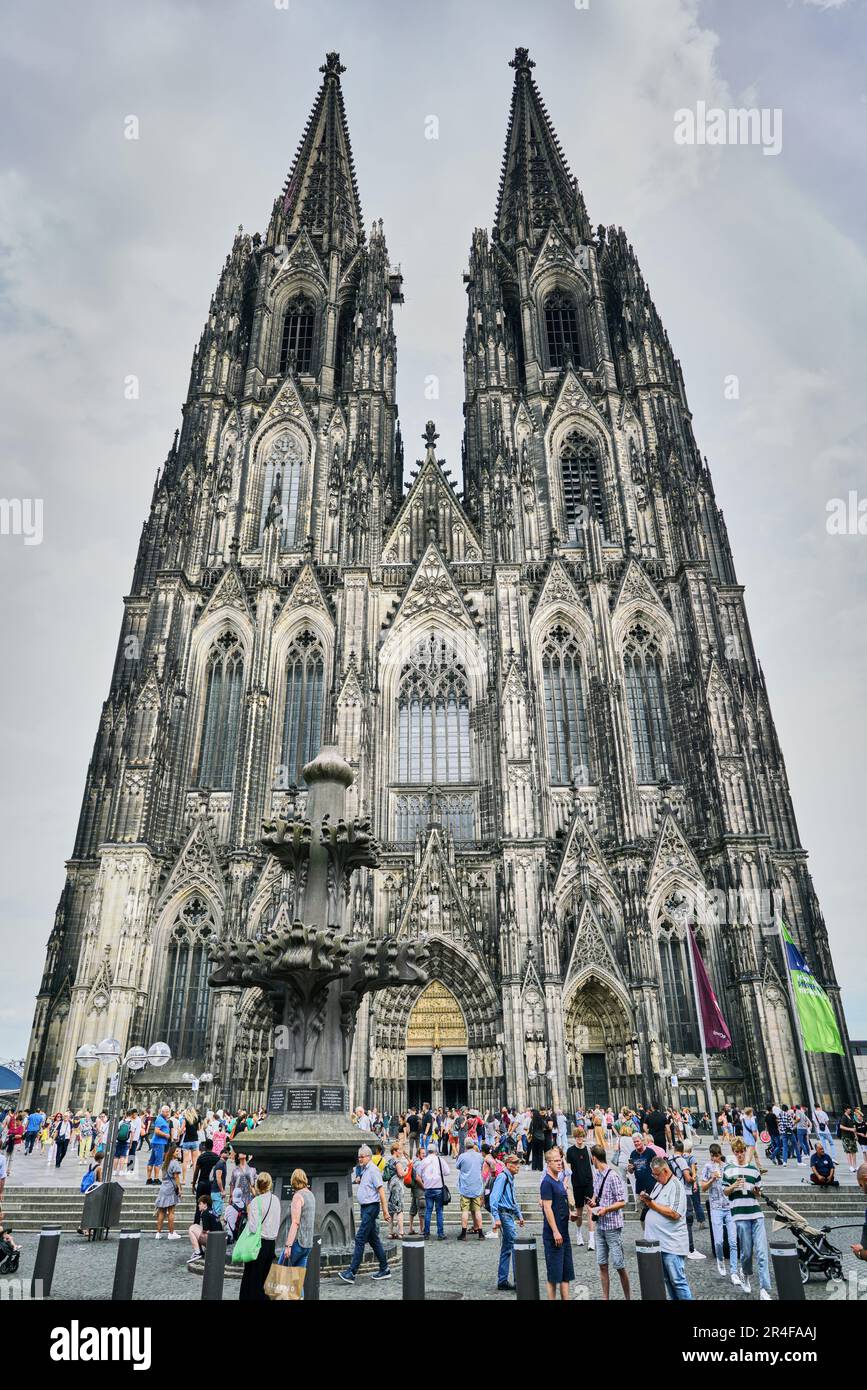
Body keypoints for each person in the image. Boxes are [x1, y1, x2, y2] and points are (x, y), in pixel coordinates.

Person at [723, 1137, 772, 1300]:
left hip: (756, 1213)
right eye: (736, 1152)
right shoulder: (728, 1170)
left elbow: (759, 1193)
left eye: (741, 1151)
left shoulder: (753, 1170)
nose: (739, 1155)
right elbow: (725, 1192)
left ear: (745, 1151)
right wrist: (733, 1185)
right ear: (733, 1153)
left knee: (762, 1252)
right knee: (745, 1253)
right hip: (740, 1215)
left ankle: (764, 1288)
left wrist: (757, 1190)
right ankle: (745, 1274)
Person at [338, 1144, 392, 1285]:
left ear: (368, 1157)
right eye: (359, 1157)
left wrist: (385, 1211)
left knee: (360, 1238)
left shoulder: (373, 1170)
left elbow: (381, 1191)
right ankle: (385, 1268)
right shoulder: (365, 1170)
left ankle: (351, 1272)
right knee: (373, 1240)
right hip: (365, 1208)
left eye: (361, 1157)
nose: (359, 1159)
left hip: (371, 1208)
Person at [641, 1155, 692, 1300]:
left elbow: (674, 1213)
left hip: (672, 1244)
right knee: (668, 1281)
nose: (655, 1177)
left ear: (665, 1171)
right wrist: (647, 1200)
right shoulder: (659, 1184)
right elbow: (656, 1204)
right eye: (653, 1174)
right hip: (659, 1244)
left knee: (678, 1281)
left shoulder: (676, 1185)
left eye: (656, 1174)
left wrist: (652, 1205)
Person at [587, 1143, 630, 1301]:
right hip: (600, 1226)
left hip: (613, 1226)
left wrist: (606, 1209)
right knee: (602, 1264)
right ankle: (605, 1298)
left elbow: (622, 1201)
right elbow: (596, 1196)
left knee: (619, 1265)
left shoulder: (613, 1176)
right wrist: (593, 1204)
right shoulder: (597, 1175)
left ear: (594, 1158)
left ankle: (627, 1297)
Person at [700, 1142, 740, 1285]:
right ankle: (720, 1259)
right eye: (713, 1156)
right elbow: (703, 1188)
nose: (715, 1159)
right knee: (718, 1241)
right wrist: (712, 1179)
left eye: (717, 1156)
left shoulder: (728, 1167)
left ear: (720, 1154)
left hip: (729, 1207)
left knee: (733, 1242)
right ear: (710, 1155)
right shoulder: (707, 1167)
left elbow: (733, 1185)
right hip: (716, 1207)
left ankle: (734, 1272)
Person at [540, 1145, 575, 1301]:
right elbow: (547, 1208)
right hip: (553, 1234)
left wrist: (570, 1214)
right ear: (548, 1163)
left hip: (564, 1232)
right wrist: (555, 1231)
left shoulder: (559, 1180)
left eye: (560, 1161)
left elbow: (560, 1204)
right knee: (554, 1276)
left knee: (566, 1274)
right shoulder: (547, 1182)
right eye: (555, 1161)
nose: (559, 1163)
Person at [238, 1172, 281, 1301]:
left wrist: (250, 1212)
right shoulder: (276, 1200)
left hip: (258, 1243)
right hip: (271, 1243)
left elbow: (253, 1227)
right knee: (263, 1278)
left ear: (257, 1185)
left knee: (251, 1278)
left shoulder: (256, 1201)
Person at [490, 1151, 524, 1291]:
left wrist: (519, 1215)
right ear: (508, 1165)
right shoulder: (503, 1177)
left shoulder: (510, 1178)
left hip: (508, 1214)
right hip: (504, 1215)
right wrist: (496, 1218)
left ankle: (503, 1280)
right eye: (516, 1164)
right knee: (515, 1246)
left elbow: (513, 1200)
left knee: (506, 1248)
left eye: (518, 1164)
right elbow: (494, 1198)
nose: (518, 1166)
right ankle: (519, 1281)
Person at [282, 1168, 316, 1295]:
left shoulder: (298, 1196)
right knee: (296, 1280)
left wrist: (288, 1245)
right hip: (307, 1244)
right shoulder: (310, 1195)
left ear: (293, 1181)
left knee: (281, 1275)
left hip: (297, 1242)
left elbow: (295, 1222)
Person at [565, 1126, 595, 1249]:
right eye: (577, 1137)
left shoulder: (589, 1150)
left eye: (581, 1136)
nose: (579, 1139)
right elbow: (568, 1169)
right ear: (574, 1137)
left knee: (590, 1210)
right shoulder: (570, 1151)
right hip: (577, 1184)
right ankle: (578, 1233)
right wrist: (565, 1182)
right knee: (579, 1212)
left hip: (588, 1183)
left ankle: (592, 1239)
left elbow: (593, 1166)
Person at [418, 1140, 450, 1239]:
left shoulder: (424, 1161)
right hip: (438, 1188)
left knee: (428, 1211)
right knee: (439, 1211)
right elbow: (447, 1172)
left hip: (428, 1188)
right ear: (435, 1151)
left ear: (428, 1151)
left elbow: (418, 1173)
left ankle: (426, 1233)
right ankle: (440, 1234)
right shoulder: (440, 1160)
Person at [455, 1136, 485, 1241]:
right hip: (476, 1186)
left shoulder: (462, 1156)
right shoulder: (480, 1156)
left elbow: (457, 1167)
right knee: (477, 1210)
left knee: (465, 1211)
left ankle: (463, 1233)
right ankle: (481, 1233)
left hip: (465, 1187)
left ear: (465, 1145)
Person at [154, 1142, 182, 1239]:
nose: (178, 1152)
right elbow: (176, 1177)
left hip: (163, 1187)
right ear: (173, 1152)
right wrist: (179, 1188)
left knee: (161, 1212)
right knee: (171, 1211)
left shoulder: (165, 1162)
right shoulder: (175, 1163)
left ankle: (158, 1233)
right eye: (177, 1151)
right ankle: (171, 1233)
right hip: (171, 1188)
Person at [187, 1194, 222, 1266]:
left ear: (205, 1204)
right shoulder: (212, 1211)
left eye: (200, 1204)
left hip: (213, 1241)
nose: (198, 1206)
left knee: (191, 1229)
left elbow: (206, 1230)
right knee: (195, 1226)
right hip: (219, 1239)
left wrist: (198, 1235)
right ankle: (199, 1251)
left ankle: (197, 1252)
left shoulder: (205, 1213)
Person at [386, 1142, 407, 1238]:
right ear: (395, 1151)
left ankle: (390, 1232)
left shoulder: (389, 1161)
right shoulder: (396, 1162)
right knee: (399, 1210)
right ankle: (401, 1232)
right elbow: (401, 1174)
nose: (401, 1151)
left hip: (390, 1186)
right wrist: (406, 1170)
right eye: (399, 1150)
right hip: (397, 1187)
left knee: (391, 1211)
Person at [147, 1105, 171, 1185]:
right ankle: (156, 1179)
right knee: (158, 1161)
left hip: (157, 1142)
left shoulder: (162, 1119)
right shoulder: (160, 1119)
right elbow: (156, 1131)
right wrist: (166, 1135)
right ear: (162, 1111)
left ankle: (149, 1179)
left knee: (152, 1160)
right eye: (167, 1111)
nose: (168, 1113)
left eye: (168, 1111)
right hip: (159, 1143)